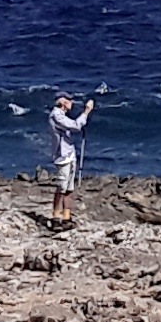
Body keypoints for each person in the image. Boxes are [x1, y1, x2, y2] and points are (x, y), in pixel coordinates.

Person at [49, 91, 94, 229]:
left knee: (69, 188)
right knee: (61, 188)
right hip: (62, 157)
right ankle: (56, 217)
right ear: (63, 102)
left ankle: (66, 217)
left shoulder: (62, 115)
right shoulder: (56, 115)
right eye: (69, 100)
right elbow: (74, 126)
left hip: (69, 154)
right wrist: (86, 112)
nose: (72, 103)